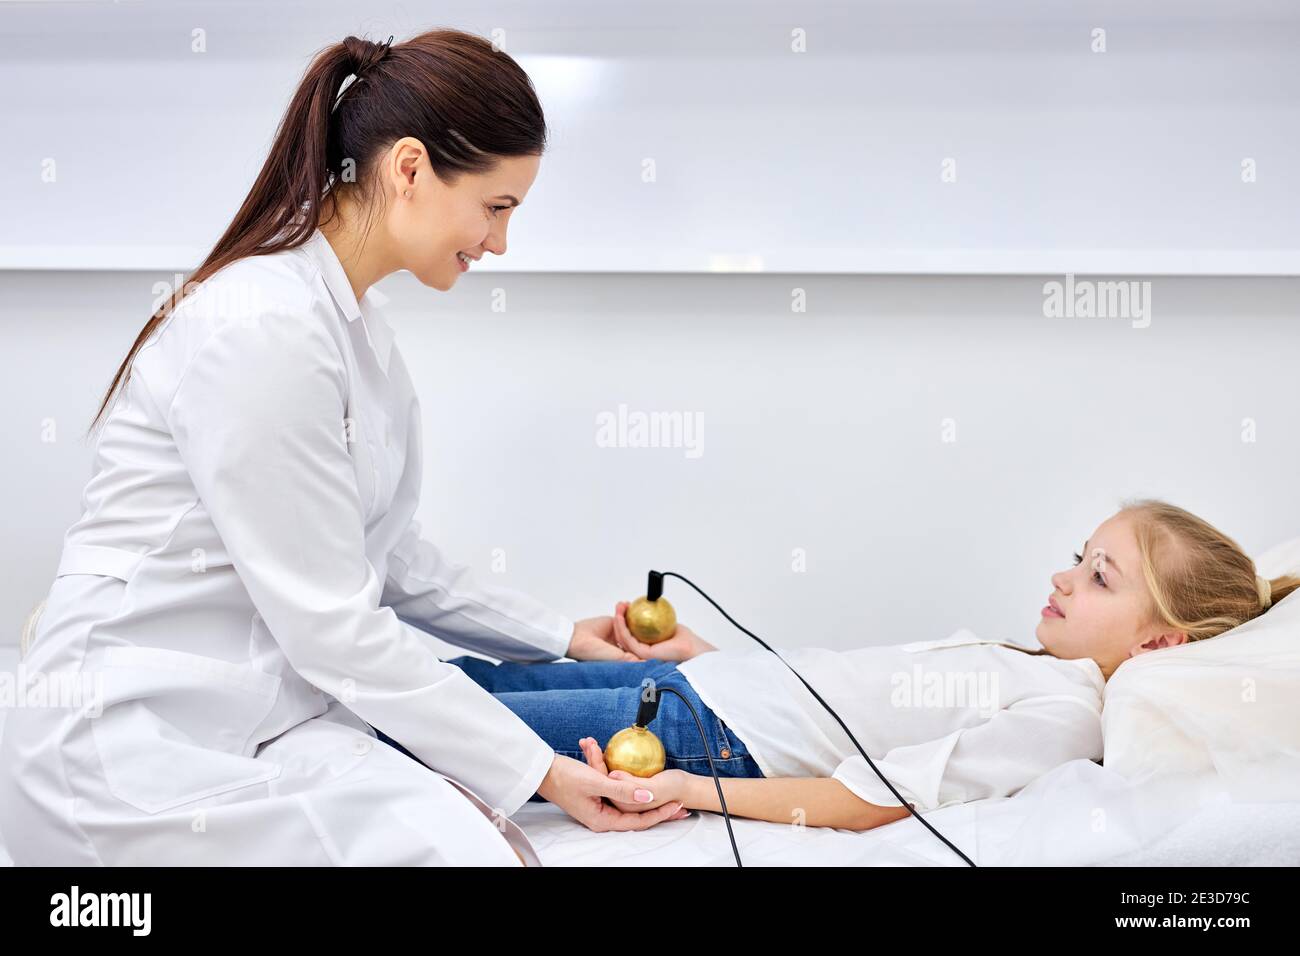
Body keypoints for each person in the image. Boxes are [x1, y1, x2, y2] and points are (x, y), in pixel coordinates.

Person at [0, 30, 687, 867]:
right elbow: (333, 627)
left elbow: (388, 561)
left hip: (254, 718)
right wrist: (539, 772)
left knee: (478, 840)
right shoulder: (262, 327)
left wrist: (559, 635)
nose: (500, 242)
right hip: (130, 747)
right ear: (408, 169)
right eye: (497, 207)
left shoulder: (350, 330)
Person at [376, 500, 1299, 830]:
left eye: (1099, 577)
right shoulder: (1025, 662)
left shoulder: (1064, 722)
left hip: (699, 738)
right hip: (699, 693)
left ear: (1159, 644)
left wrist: (688, 794)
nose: (1063, 576)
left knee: (415, 727)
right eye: (1077, 554)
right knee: (452, 685)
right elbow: (833, 698)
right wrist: (708, 656)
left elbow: (869, 799)